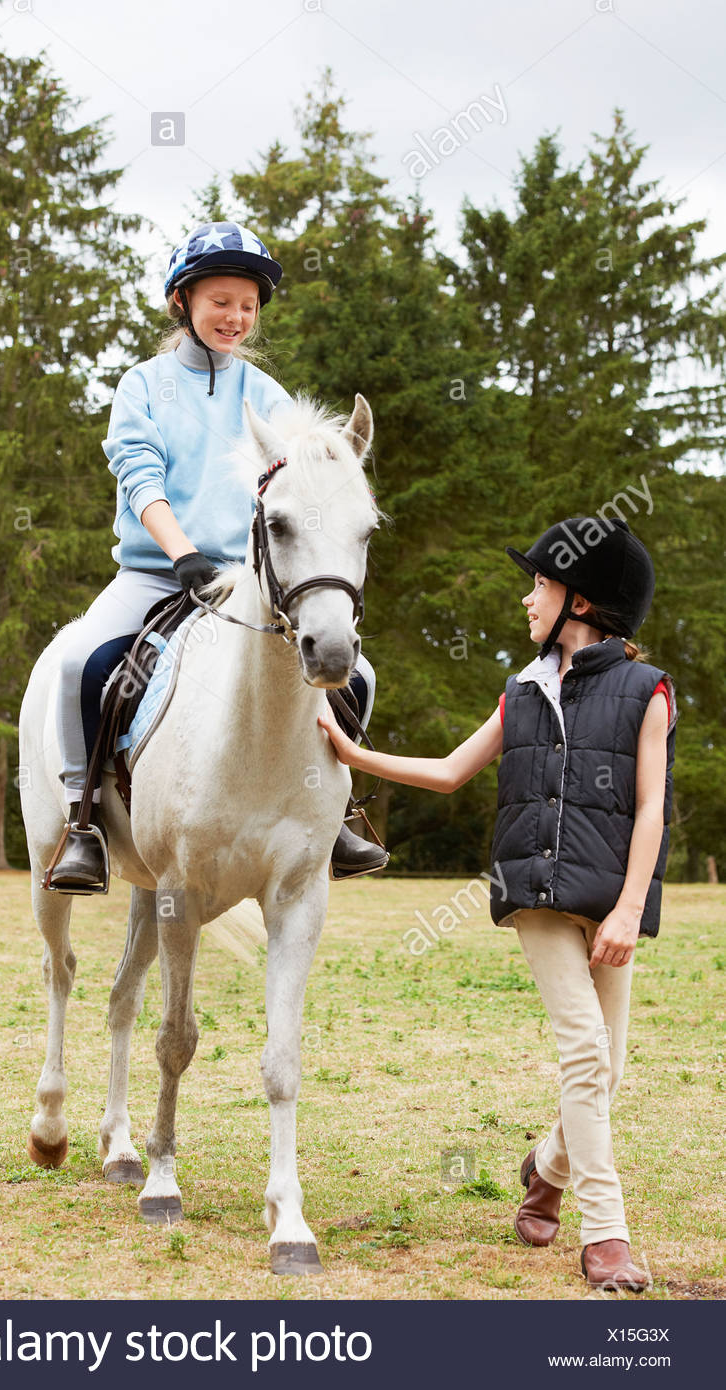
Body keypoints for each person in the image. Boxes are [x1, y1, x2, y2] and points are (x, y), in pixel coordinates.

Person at [317, 517, 676, 1291]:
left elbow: (650, 810)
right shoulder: (522, 690)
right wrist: (353, 755)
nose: (526, 598)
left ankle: (547, 1171)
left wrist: (626, 911)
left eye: (539, 584)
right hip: (537, 893)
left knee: (607, 1071)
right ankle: (607, 1237)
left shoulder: (648, 692)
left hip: (613, 899)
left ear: (581, 600)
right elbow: (451, 772)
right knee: (584, 1051)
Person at [48, 221, 388, 892]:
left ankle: (338, 807)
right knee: (78, 664)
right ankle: (82, 821)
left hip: (249, 582)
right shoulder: (141, 385)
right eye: (220, 300)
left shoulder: (267, 395)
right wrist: (182, 555)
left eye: (247, 305)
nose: (234, 316)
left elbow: (299, 489)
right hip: (155, 572)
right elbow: (140, 477)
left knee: (361, 676)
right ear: (183, 301)